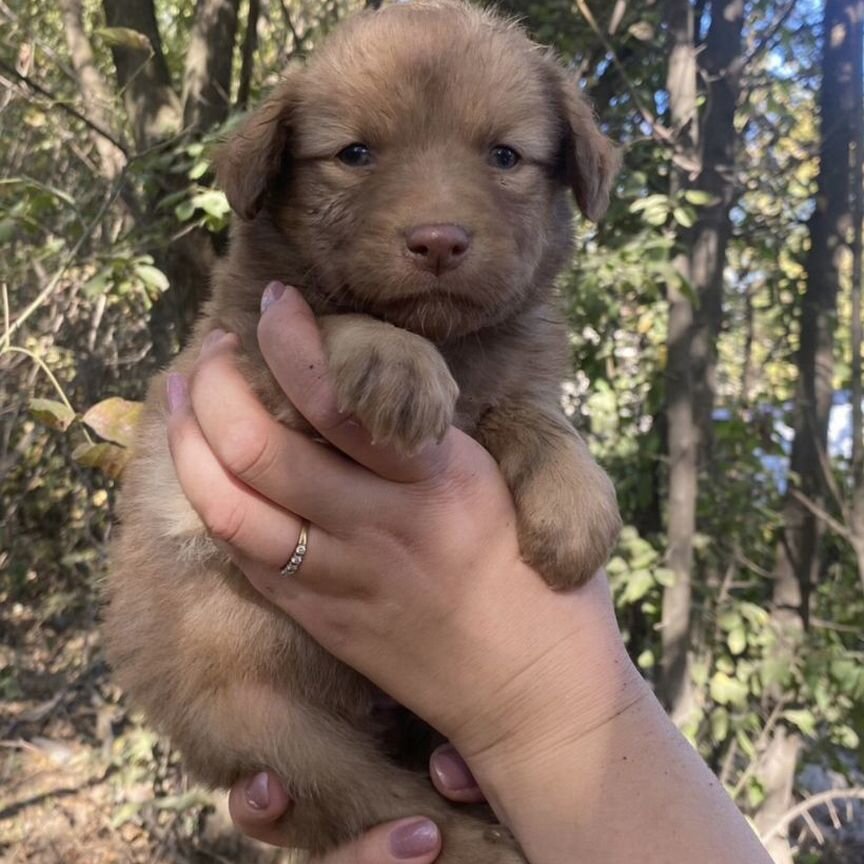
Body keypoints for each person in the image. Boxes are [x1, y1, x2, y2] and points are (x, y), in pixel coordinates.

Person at [165, 282, 773, 864]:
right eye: (353, 165)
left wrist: (538, 701)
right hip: (281, 705)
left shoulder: (517, 339)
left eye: (506, 167)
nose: (438, 230)